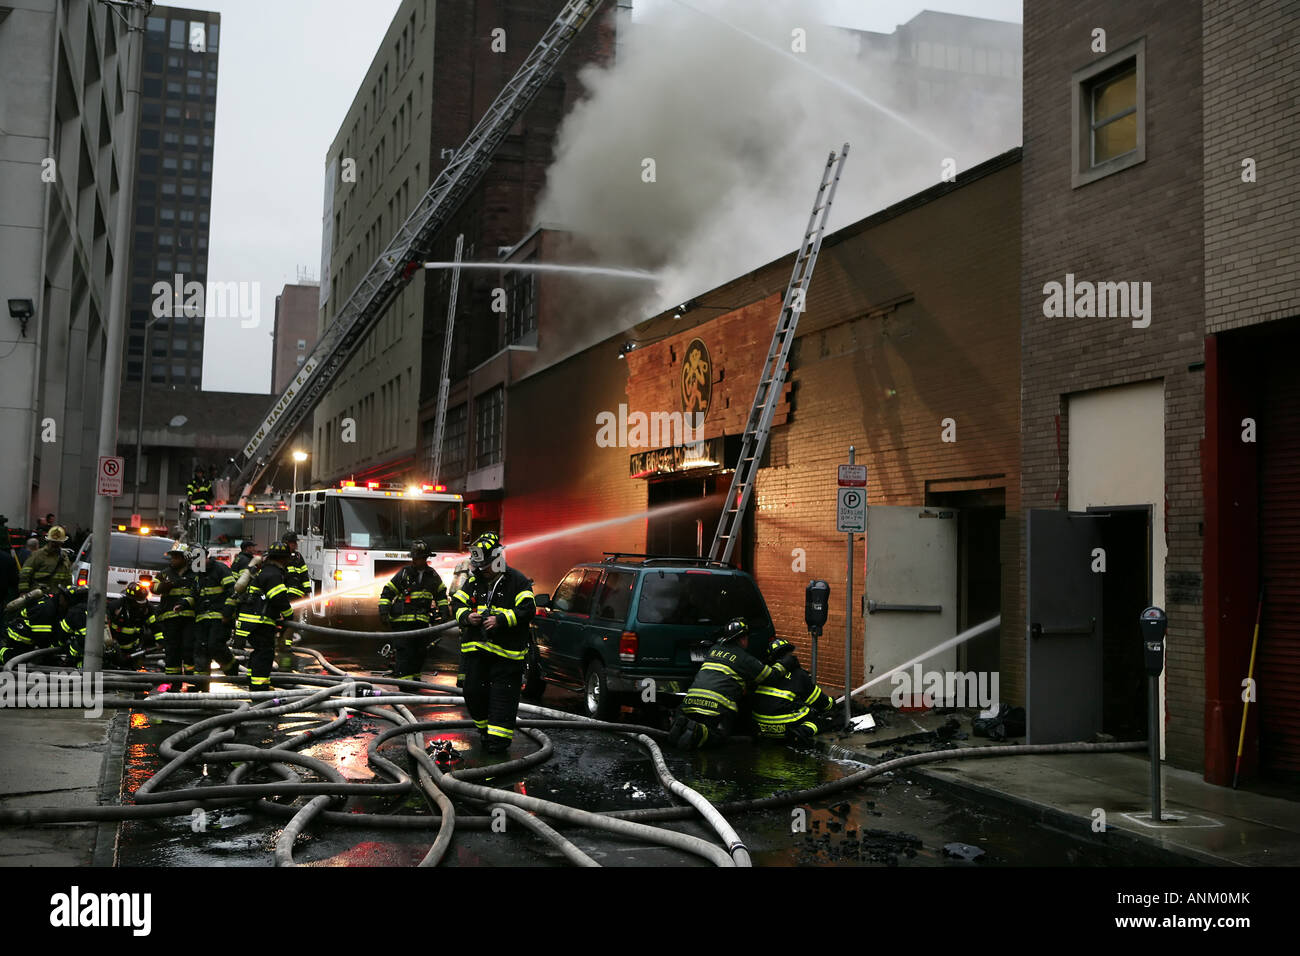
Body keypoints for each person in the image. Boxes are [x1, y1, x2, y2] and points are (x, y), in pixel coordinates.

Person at [449, 533, 536, 753]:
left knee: (502, 700)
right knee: (472, 693)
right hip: (479, 654)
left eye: (485, 565)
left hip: (507, 657)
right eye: (479, 566)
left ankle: (498, 743)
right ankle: (485, 731)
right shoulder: (474, 582)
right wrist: (467, 616)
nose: (481, 570)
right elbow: (458, 602)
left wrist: (500, 620)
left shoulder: (518, 580)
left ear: (498, 559)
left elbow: (527, 609)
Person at [668, 618, 783, 750]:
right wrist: (786, 662)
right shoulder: (744, 658)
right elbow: (771, 676)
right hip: (716, 710)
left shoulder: (714, 650)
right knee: (719, 736)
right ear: (742, 639)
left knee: (693, 723)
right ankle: (698, 731)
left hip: (689, 703)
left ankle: (683, 725)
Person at [378, 538, 449, 681]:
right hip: (402, 624)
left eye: (422, 558)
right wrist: (384, 611)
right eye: (417, 558)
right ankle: (404, 684)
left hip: (421, 624)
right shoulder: (404, 573)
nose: (419, 561)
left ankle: (414, 682)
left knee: (420, 653)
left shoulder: (432, 576)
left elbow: (441, 595)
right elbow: (388, 592)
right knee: (405, 653)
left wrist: (444, 611)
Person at [233, 541, 294, 693]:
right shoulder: (273, 574)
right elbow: (278, 597)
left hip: (251, 620)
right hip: (260, 621)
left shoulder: (264, 571)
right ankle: (259, 688)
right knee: (265, 654)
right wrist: (289, 615)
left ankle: (253, 680)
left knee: (258, 652)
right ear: (284, 559)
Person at [749, 637, 835, 744]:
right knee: (820, 720)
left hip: (760, 726)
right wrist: (832, 703)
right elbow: (822, 703)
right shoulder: (799, 675)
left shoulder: (765, 673)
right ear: (789, 654)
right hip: (784, 728)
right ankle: (800, 733)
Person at [153, 542, 197, 689]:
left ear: (186, 558)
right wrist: (166, 585)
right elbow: (153, 587)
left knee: (188, 649)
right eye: (172, 557)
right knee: (172, 651)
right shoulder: (165, 573)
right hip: (170, 619)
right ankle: (174, 683)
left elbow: (199, 593)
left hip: (190, 619)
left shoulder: (195, 574)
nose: (173, 560)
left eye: (177, 557)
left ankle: (192, 681)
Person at [191, 546, 240, 677]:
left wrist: (227, 614)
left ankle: (232, 668)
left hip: (220, 617)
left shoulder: (221, 569)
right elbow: (195, 595)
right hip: (202, 618)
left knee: (215, 646)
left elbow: (233, 593)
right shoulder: (198, 574)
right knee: (201, 648)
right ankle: (201, 684)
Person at [1, 586, 73, 666]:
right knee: (18, 662)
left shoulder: (55, 604)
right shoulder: (47, 609)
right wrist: (52, 651)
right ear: (62, 598)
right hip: (19, 637)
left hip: (29, 638)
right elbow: (42, 638)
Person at [278, 532, 311, 669]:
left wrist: (307, 591)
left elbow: (304, 574)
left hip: (296, 597)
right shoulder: (279, 555)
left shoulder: (298, 556)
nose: (296, 545)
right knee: (281, 621)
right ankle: (280, 644)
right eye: (293, 543)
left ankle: (285, 644)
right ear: (286, 542)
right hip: (282, 596)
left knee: (293, 622)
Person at [108, 582, 160, 667]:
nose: (142, 604)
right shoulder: (116, 606)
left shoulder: (147, 608)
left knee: (131, 672)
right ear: (130, 600)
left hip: (134, 649)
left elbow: (156, 626)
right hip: (114, 647)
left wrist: (160, 641)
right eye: (139, 601)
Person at [18, 525, 72, 593]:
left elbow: (68, 577)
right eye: (53, 542)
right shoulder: (37, 555)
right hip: (40, 596)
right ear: (48, 541)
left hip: (57, 597)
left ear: (62, 542)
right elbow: (25, 574)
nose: (55, 545)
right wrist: (23, 592)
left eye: (58, 543)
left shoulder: (64, 557)